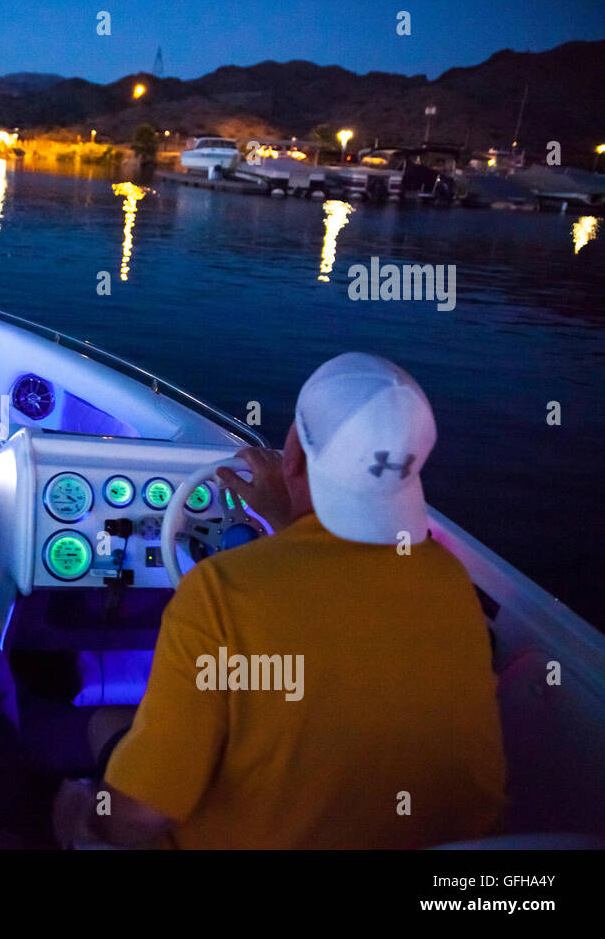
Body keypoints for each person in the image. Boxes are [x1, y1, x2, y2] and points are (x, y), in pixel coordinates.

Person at [54, 352, 506, 848]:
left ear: (290, 452)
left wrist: (81, 813)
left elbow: (139, 818)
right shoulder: (449, 579)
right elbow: (339, 601)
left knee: (105, 727)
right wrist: (286, 526)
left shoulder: (220, 590)